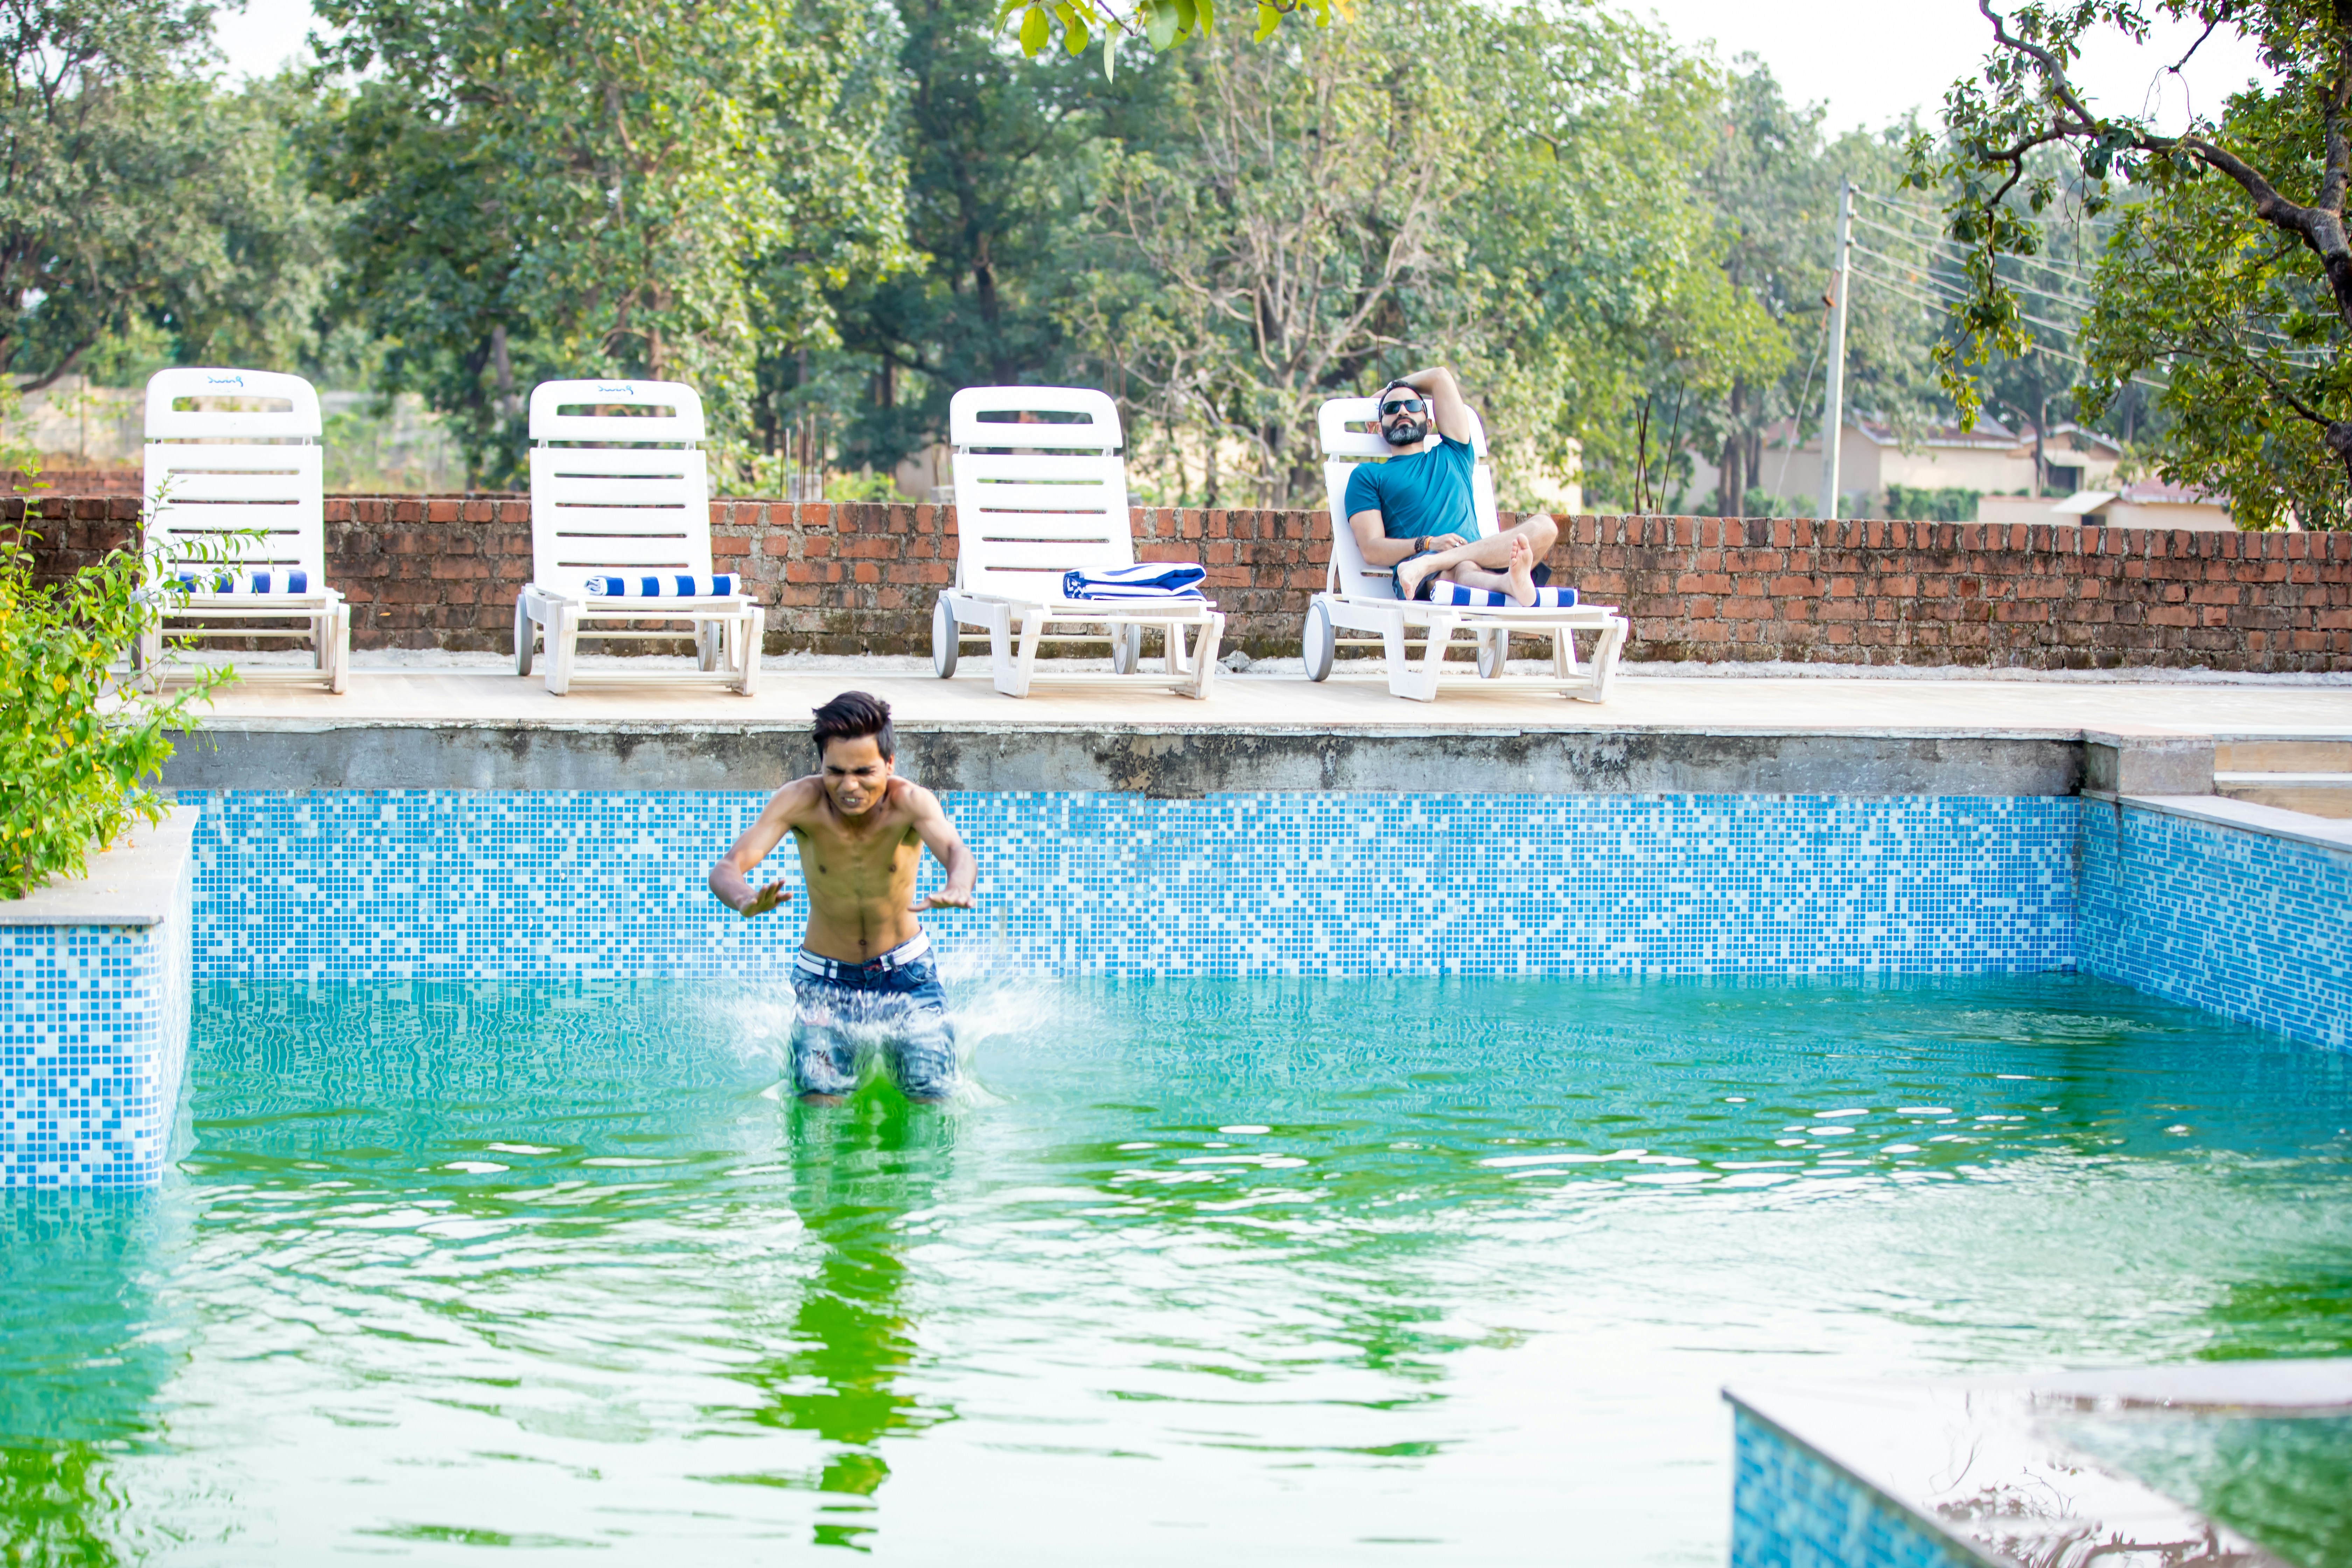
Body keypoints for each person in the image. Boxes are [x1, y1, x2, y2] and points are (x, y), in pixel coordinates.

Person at [710, 691, 978, 1105]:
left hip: (908, 977)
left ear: (889, 764)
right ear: (821, 765)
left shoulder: (910, 803)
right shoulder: (801, 801)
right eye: (835, 772)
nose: (849, 786)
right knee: (818, 1098)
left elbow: (957, 851)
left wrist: (959, 885)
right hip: (824, 983)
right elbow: (727, 868)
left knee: (931, 1096)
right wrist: (745, 899)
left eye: (865, 772)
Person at [1343, 366, 1561, 606]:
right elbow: (1371, 549)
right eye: (1391, 408)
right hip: (1429, 575)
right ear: (1379, 427)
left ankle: (1504, 578)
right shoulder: (1368, 476)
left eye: (1412, 406)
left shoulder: (1455, 453)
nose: (1402, 410)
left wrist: (1386, 391)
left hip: (1469, 557)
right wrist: (1428, 544)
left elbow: (1440, 377)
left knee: (1546, 526)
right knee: (1463, 569)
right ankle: (1509, 582)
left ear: (1429, 424)